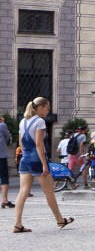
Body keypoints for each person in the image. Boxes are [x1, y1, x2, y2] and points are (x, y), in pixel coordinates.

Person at [13, 97, 74, 233]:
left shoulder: (23, 121)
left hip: (25, 159)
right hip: (37, 160)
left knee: (23, 192)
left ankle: (17, 224)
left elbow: (21, 143)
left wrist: (26, 155)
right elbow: (39, 144)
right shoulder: (39, 121)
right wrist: (44, 165)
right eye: (47, 108)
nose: (48, 111)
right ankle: (59, 219)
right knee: (49, 192)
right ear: (41, 107)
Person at [1, 115, 13, 208]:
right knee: (4, 176)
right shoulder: (2, 125)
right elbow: (8, 137)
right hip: (1, 155)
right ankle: (4, 199)